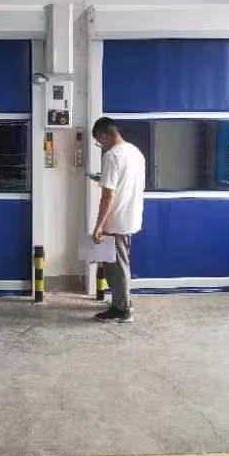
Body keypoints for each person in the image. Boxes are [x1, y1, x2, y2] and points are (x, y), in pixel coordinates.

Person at [91, 117, 145, 323]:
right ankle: (123, 301)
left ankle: (122, 310)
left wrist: (99, 225)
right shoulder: (135, 152)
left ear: (104, 136)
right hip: (131, 216)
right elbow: (129, 182)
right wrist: (103, 179)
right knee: (121, 263)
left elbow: (108, 197)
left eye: (99, 141)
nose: (101, 145)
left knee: (116, 267)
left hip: (116, 220)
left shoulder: (112, 156)